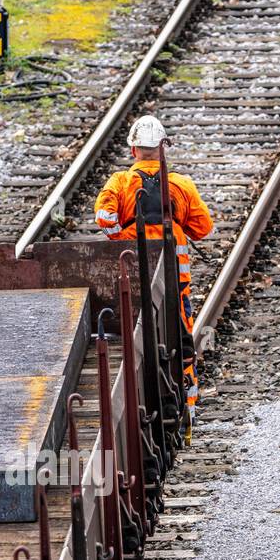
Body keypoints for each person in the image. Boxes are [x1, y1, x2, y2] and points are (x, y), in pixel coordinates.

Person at [94, 114, 213, 417]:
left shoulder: (120, 182)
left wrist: (123, 237)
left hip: (133, 284)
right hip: (175, 286)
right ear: (162, 148)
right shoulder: (180, 185)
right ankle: (187, 408)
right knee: (183, 340)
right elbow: (203, 228)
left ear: (133, 150)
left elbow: (105, 218)